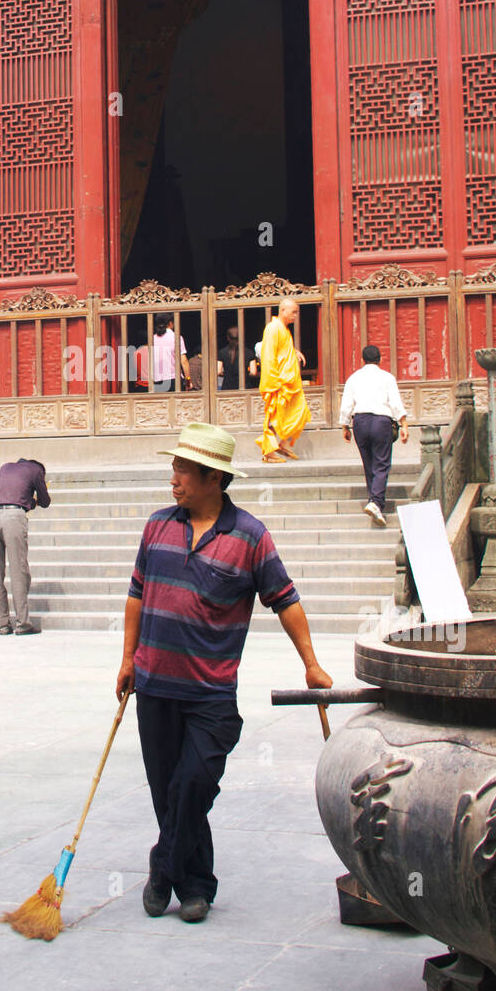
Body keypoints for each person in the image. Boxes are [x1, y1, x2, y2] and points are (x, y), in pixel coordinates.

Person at [117, 422, 332, 924]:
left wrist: (311, 663)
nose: (173, 476)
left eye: (183, 468)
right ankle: (195, 887)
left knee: (193, 784)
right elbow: (135, 595)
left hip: (211, 694)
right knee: (168, 791)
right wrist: (128, 659)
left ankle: (161, 865)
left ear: (213, 477)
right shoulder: (157, 526)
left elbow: (286, 601)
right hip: (154, 685)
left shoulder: (250, 537)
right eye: (174, 466)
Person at [339, 345, 408, 527]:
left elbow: (347, 404)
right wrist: (404, 424)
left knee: (369, 463)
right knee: (382, 463)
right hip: (381, 421)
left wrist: (345, 426)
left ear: (362, 359)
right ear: (380, 359)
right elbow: (395, 402)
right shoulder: (387, 378)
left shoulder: (354, 378)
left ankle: (374, 500)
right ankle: (376, 502)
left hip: (360, 421)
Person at [0, 458, 51, 635]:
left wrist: (30, 501)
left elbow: (14, 493)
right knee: (18, 570)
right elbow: (45, 501)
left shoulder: (5, 466)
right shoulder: (37, 470)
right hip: (14, 517)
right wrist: (37, 497)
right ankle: (23, 623)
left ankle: (3, 624)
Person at [256, 299, 310, 462]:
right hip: (279, 382)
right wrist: (273, 382)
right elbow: (269, 356)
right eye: (293, 312)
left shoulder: (283, 329)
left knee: (300, 412)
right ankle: (268, 452)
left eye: (296, 312)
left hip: (290, 383)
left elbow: (281, 350)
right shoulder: (273, 328)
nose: (295, 315)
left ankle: (284, 444)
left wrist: (293, 351)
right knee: (274, 416)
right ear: (283, 310)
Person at [151, 315, 190, 392]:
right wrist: (188, 380)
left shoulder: (152, 338)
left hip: (157, 380)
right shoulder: (176, 337)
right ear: (170, 323)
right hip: (173, 380)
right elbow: (184, 361)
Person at [217, 326, 253, 391]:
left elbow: (219, 371)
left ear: (228, 338)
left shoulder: (222, 352)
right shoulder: (249, 352)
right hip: (245, 387)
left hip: (227, 387)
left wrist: (227, 374)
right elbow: (253, 372)